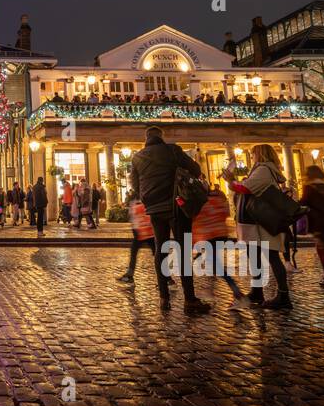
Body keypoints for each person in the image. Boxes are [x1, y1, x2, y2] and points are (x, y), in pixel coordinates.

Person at [130, 126, 210, 314]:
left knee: (160, 249)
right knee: (183, 251)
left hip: (154, 209)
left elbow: (135, 185)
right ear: (161, 137)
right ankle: (189, 299)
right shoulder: (172, 150)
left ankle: (163, 297)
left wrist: (148, 198)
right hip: (177, 205)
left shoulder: (137, 157)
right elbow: (196, 169)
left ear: (146, 138)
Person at [227, 144, 292, 310]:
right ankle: (257, 291)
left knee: (272, 257)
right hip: (254, 223)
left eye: (253, 153)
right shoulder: (260, 169)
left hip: (262, 223)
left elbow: (245, 188)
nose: (251, 156)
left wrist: (231, 180)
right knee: (254, 257)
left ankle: (283, 295)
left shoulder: (263, 169)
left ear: (260, 154)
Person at [116, 193, 156, 284]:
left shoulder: (138, 204)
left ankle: (129, 275)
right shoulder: (144, 202)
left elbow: (135, 219)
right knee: (156, 254)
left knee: (136, 253)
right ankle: (167, 278)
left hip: (142, 233)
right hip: (147, 233)